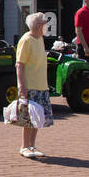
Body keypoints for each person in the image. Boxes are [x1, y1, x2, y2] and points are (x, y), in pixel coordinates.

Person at [12, 12, 53, 158]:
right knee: (28, 118)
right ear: (38, 25)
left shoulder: (39, 39)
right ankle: (25, 146)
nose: (46, 25)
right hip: (30, 85)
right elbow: (19, 64)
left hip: (41, 85)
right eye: (44, 22)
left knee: (38, 118)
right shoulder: (26, 40)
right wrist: (22, 87)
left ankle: (32, 145)